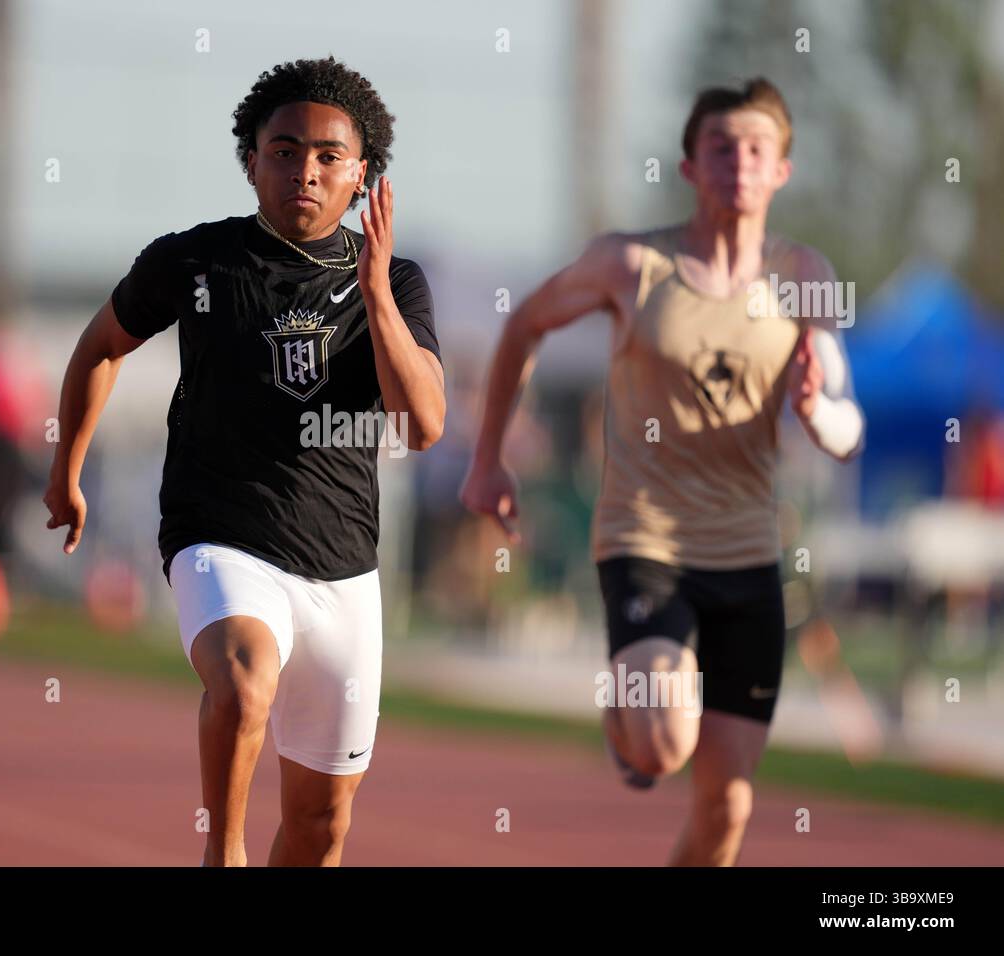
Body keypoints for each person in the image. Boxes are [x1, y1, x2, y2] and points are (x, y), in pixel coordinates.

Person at [44, 56, 445, 867]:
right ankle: (220, 854)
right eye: (286, 149)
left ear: (363, 176)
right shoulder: (197, 262)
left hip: (342, 570)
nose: (307, 169)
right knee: (242, 680)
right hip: (220, 534)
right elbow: (99, 347)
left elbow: (424, 422)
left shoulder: (396, 283)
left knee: (319, 828)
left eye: (330, 156)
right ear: (251, 160)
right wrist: (67, 471)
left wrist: (372, 296)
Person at [460, 78, 864, 866]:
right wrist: (488, 458)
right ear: (689, 166)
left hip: (748, 555)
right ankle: (629, 730)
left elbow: (848, 425)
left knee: (727, 809)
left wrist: (817, 414)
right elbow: (526, 324)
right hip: (646, 539)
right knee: (660, 743)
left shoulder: (803, 272)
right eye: (720, 147)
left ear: (782, 169)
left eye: (757, 150)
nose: (738, 165)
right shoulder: (631, 263)